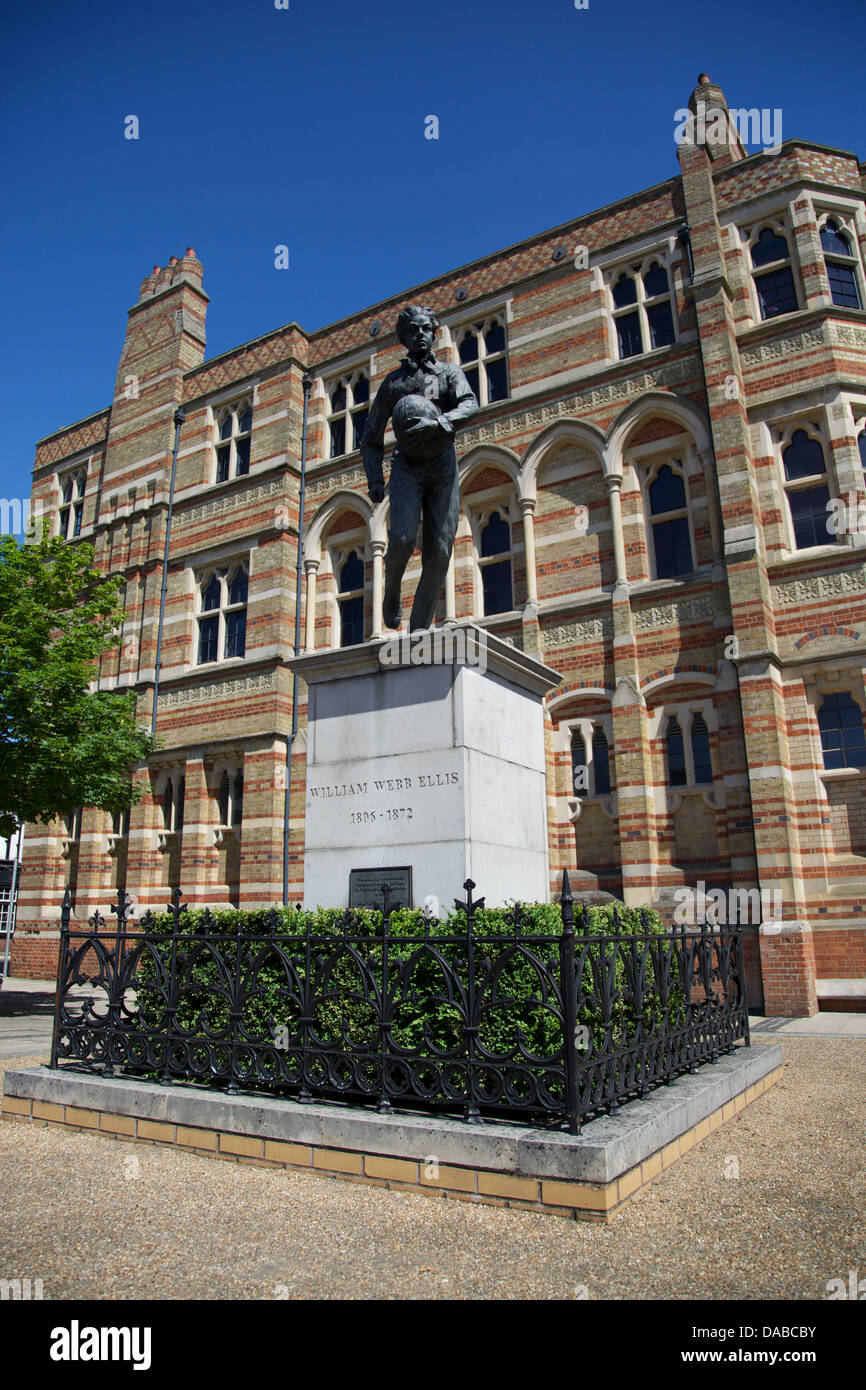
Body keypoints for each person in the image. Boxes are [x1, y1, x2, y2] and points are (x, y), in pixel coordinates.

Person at [360, 305, 478, 630]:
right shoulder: (393, 383)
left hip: (442, 465)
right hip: (406, 467)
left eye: (426, 329)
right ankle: (392, 589)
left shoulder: (449, 373)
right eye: (414, 330)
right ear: (404, 338)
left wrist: (440, 423)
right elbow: (370, 437)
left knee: (441, 548)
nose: (421, 335)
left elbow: (470, 404)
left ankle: (419, 628)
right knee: (400, 539)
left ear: (433, 333)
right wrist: (374, 478)